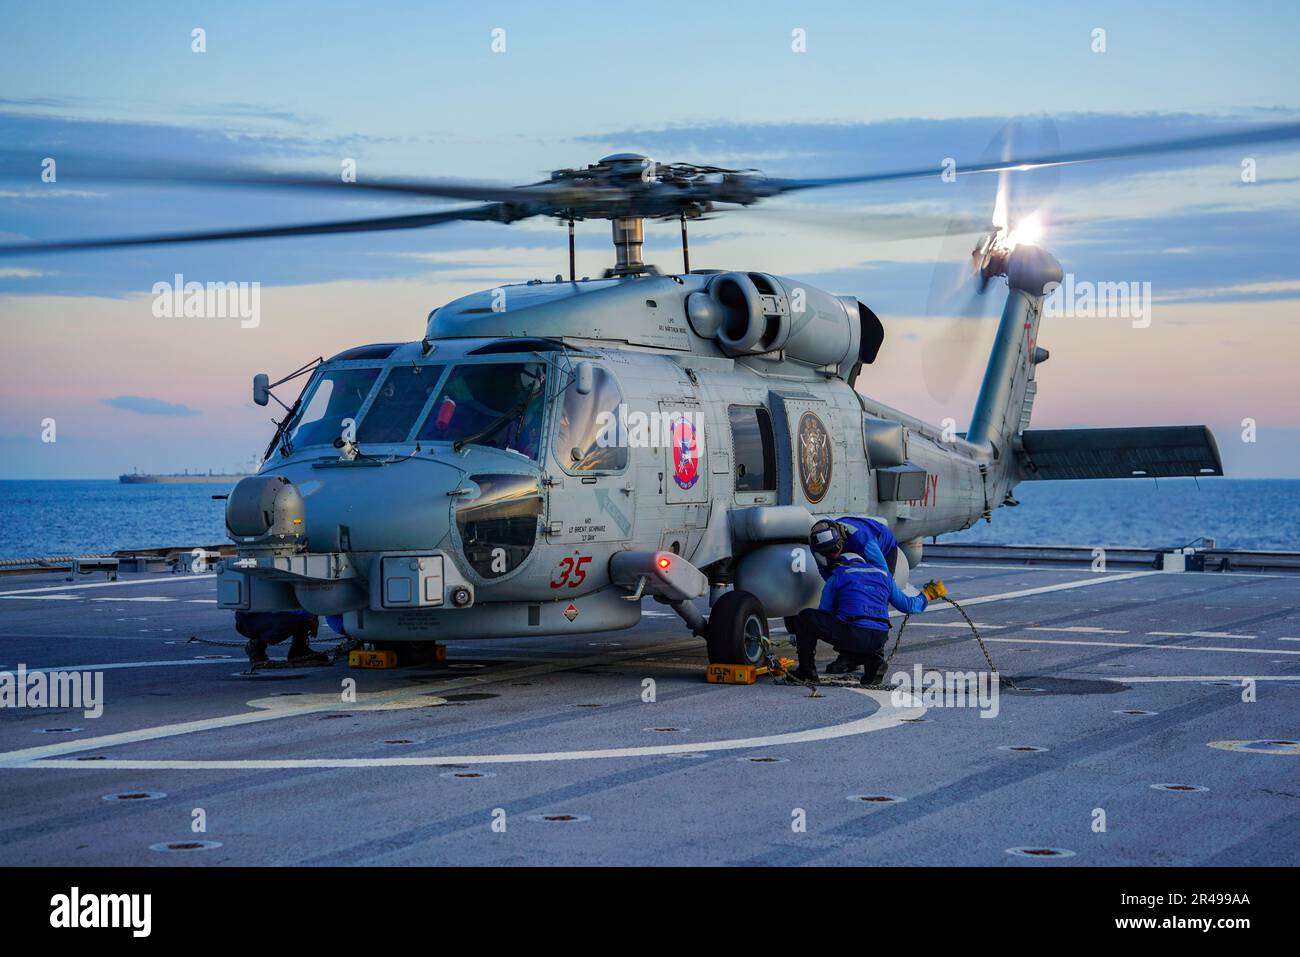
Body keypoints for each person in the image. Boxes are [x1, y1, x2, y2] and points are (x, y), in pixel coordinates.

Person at [791, 527, 934, 686]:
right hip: (880, 638)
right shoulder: (884, 576)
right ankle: (873, 661)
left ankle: (807, 671)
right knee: (861, 628)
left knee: (805, 618)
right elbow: (908, 605)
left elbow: (825, 612)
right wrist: (928, 595)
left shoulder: (838, 575)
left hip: (853, 634)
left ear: (840, 562)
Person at [811, 517, 901, 674]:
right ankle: (848, 656)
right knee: (845, 599)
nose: (832, 556)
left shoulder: (863, 541)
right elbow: (827, 573)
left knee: (873, 599)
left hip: (883, 550)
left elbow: (881, 577)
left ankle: (875, 656)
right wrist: (841, 590)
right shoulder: (817, 546)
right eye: (826, 553)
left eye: (834, 551)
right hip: (846, 552)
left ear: (841, 541)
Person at [235, 609, 327, 665]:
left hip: (266, 615)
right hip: (250, 620)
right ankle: (256, 645)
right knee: (293, 617)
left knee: (303, 609)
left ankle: (299, 649)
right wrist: (310, 616)